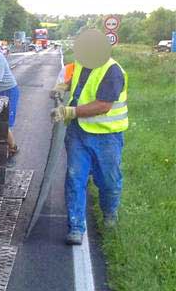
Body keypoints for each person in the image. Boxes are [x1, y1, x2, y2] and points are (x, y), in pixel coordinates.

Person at [50, 29, 128, 246]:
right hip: (78, 134)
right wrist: (61, 87)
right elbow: (73, 81)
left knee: (108, 182)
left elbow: (104, 105)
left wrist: (70, 112)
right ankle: (75, 227)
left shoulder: (113, 71)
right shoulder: (81, 64)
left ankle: (110, 213)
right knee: (75, 178)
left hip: (107, 137)